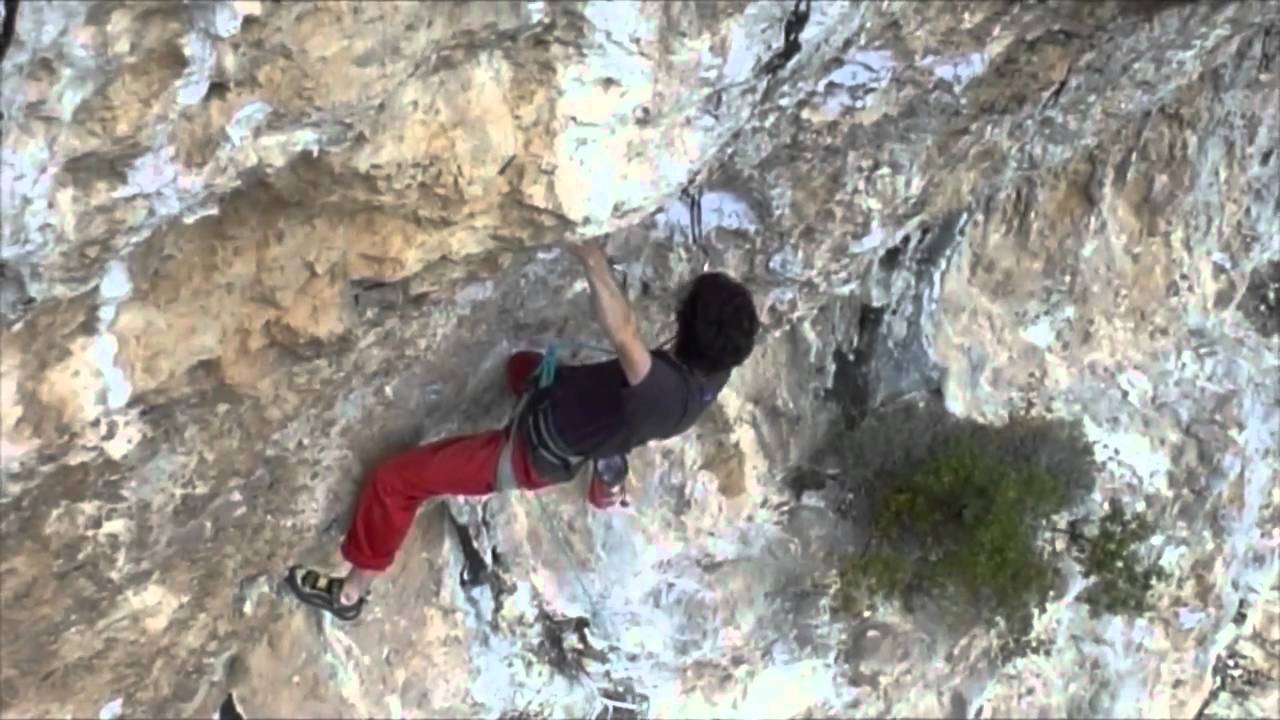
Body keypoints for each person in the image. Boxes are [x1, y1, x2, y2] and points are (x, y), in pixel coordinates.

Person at [285, 239, 760, 620]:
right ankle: (608, 464)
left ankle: (351, 591)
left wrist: (590, 256)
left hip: (530, 452)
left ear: (685, 327)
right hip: (570, 403)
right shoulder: (717, 365)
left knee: (395, 482)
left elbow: (625, 335)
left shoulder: (663, 393)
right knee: (520, 367)